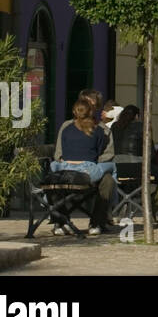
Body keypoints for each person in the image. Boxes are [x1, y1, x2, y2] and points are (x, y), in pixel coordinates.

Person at [51, 100, 117, 235]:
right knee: (112, 169)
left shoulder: (67, 129)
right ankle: (108, 212)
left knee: (108, 180)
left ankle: (96, 221)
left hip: (65, 170)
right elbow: (99, 154)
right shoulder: (99, 130)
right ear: (92, 111)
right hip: (88, 172)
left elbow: (60, 154)